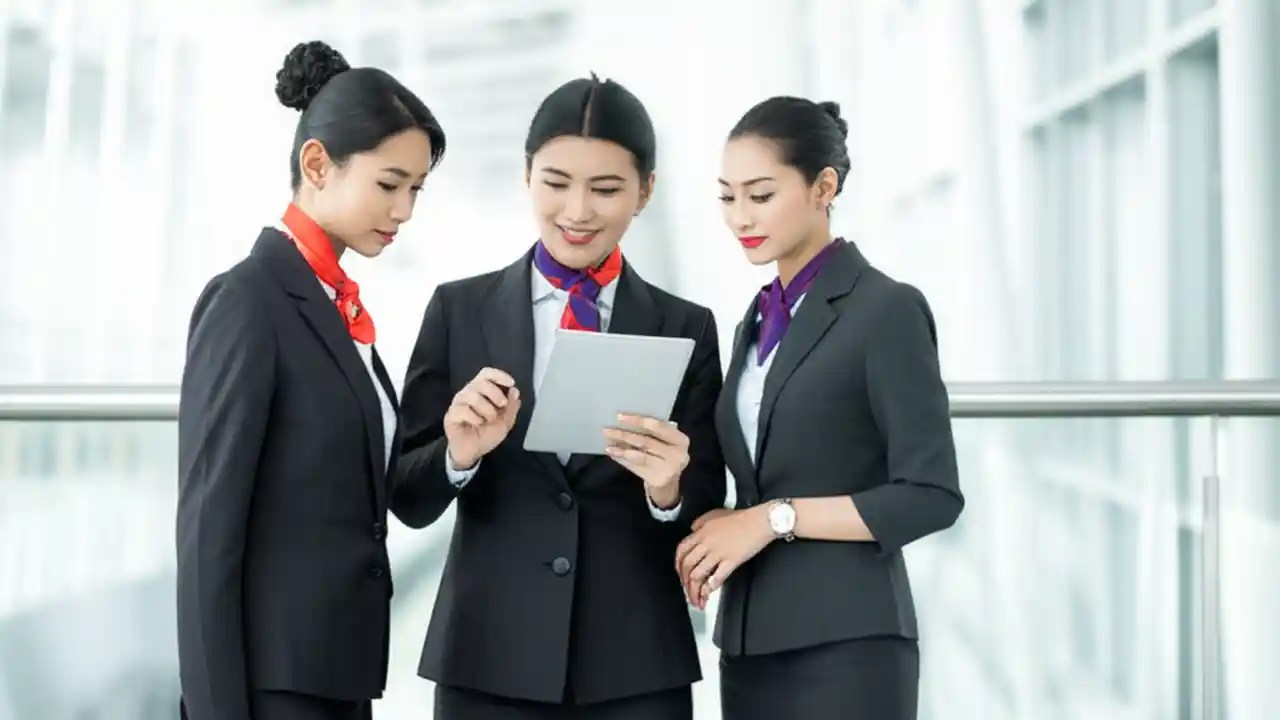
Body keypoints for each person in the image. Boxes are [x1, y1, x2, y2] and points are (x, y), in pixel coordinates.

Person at [390, 74, 726, 720]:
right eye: (556, 183)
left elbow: (704, 511)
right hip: (487, 662)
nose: (577, 211)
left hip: (635, 670)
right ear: (526, 175)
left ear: (645, 191)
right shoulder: (459, 312)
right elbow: (407, 496)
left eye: (605, 189)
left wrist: (668, 491)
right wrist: (457, 455)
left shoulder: (686, 328)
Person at [175, 40, 446, 720]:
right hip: (272, 688)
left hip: (338, 679)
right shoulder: (249, 301)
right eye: (389, 184)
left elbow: (376, 492)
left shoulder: (334, 307)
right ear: (317, 164)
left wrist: (459, 450)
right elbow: (209, 536)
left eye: (416, 189)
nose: (405, 210)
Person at [676, 96, 964, 719]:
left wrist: (770, 519)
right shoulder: (752, 323)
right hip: (751, 648)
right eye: (727, 197)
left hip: (847, 644)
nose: (740, 217)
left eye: (760, 194)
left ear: (822, 187)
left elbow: (930, 493)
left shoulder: (885, 309)